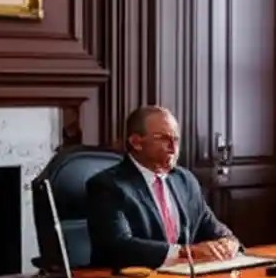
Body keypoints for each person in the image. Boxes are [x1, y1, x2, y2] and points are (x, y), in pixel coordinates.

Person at [86, 105, 242, 269]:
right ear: (136, 142)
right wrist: (185, 252)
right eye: (163, 138)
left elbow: (211, 226)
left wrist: (228, 243)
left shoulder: (184, 180)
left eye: (176, 139)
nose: (173, 148)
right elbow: (119, 247)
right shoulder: (107, 185)